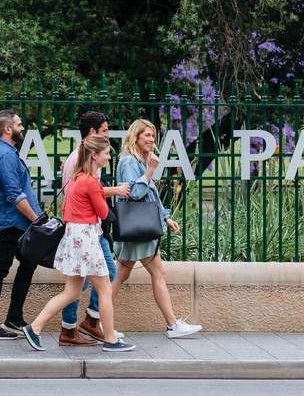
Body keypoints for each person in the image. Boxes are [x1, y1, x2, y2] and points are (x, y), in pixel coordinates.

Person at [21, 136, 135, 352]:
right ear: (94, 155)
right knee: (104, 289)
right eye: (106, 154)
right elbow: (103, 212)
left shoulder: (75, 179)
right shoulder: (91, 182)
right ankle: (110, 339)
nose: (108, 157)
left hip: (73, 237)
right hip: (87, 238)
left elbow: (68, 209)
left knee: (72, 292)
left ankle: (35, 327)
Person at [112, 119, 202, 338]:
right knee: (157, 272)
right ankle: (172, 325)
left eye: (153, 136)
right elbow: (133, 194)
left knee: (121, 274)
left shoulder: (139, 161)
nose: (152, 140)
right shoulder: (128, 162)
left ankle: (94, 319)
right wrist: (151, 170)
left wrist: (165, 217)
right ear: (135, 137)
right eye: (147, 136)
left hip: (138, 227)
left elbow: (150, 194)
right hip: (138, 228)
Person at [58, 111, 130, 346]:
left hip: (92, 230)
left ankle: (89, 322)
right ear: (93, 133)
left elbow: (91, 191)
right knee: (84, 282)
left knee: (99, 277)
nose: (108, 135)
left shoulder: (88, 161)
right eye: (105, 131)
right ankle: (71, 327)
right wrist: (116, 191)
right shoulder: (78, 160)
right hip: (84, 231)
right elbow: (80, 193)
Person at [0, 110, 43, 340]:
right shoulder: (4, 155)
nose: (22, 127)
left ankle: (14, 317)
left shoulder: (4, 152)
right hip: (9, 223)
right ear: (8, 129)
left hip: (14, 223)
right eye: (18, 124)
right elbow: (14, 194)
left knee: (28, 263)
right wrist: (37, 218)